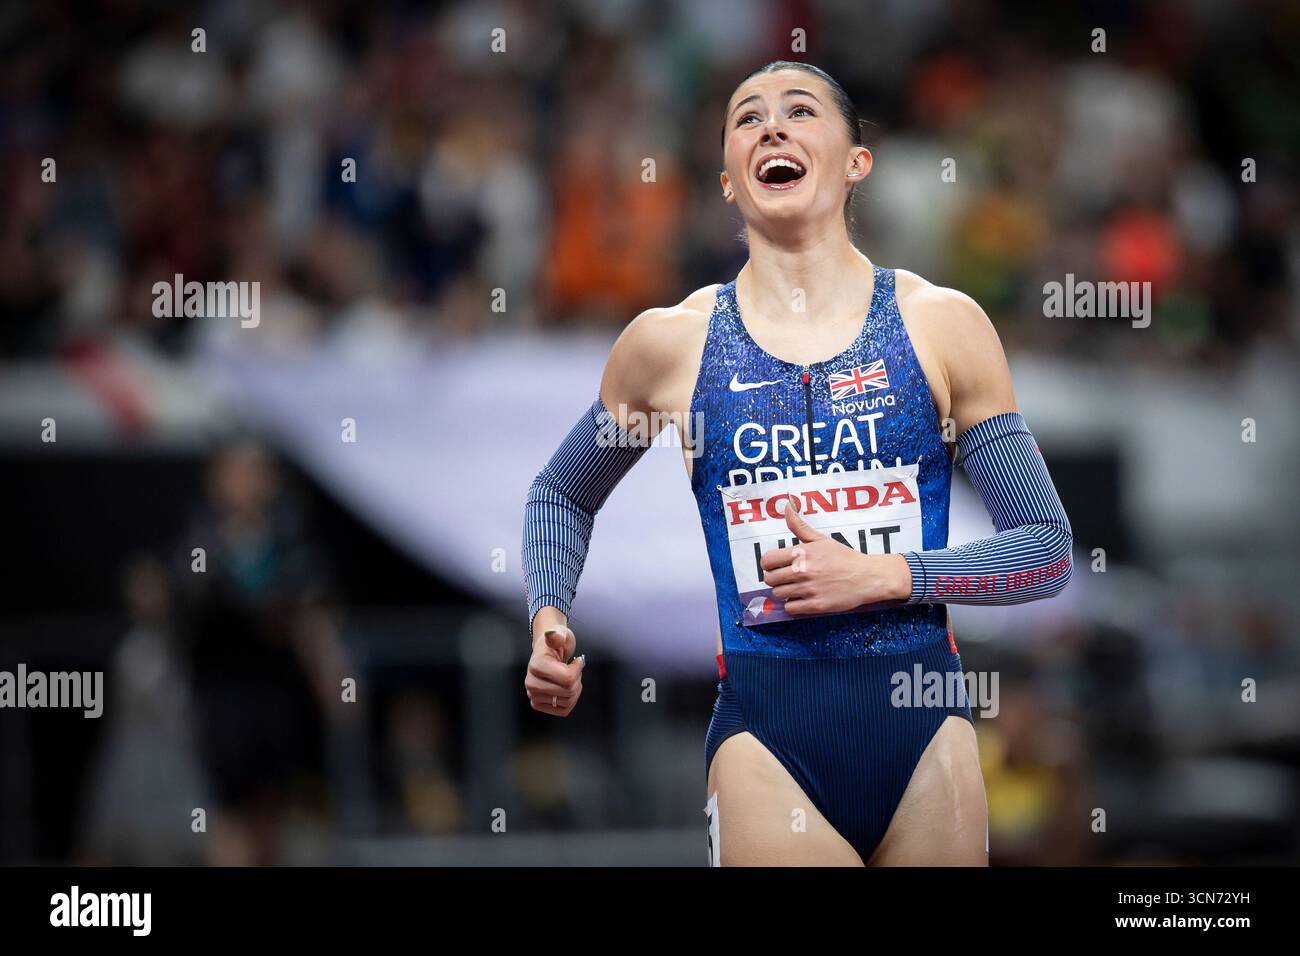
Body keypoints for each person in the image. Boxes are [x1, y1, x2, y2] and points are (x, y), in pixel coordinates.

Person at [522, 61, 1073, 866]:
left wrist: (884, 575)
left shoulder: (941, 327)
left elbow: (1046, 550)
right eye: (747, 118)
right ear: (725, 182)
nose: (771, 127)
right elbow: (560, 496)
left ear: (858, 163)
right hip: (769, 742)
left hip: (924, 734)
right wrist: (549, 614)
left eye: (800, 111)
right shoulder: (669, 346)